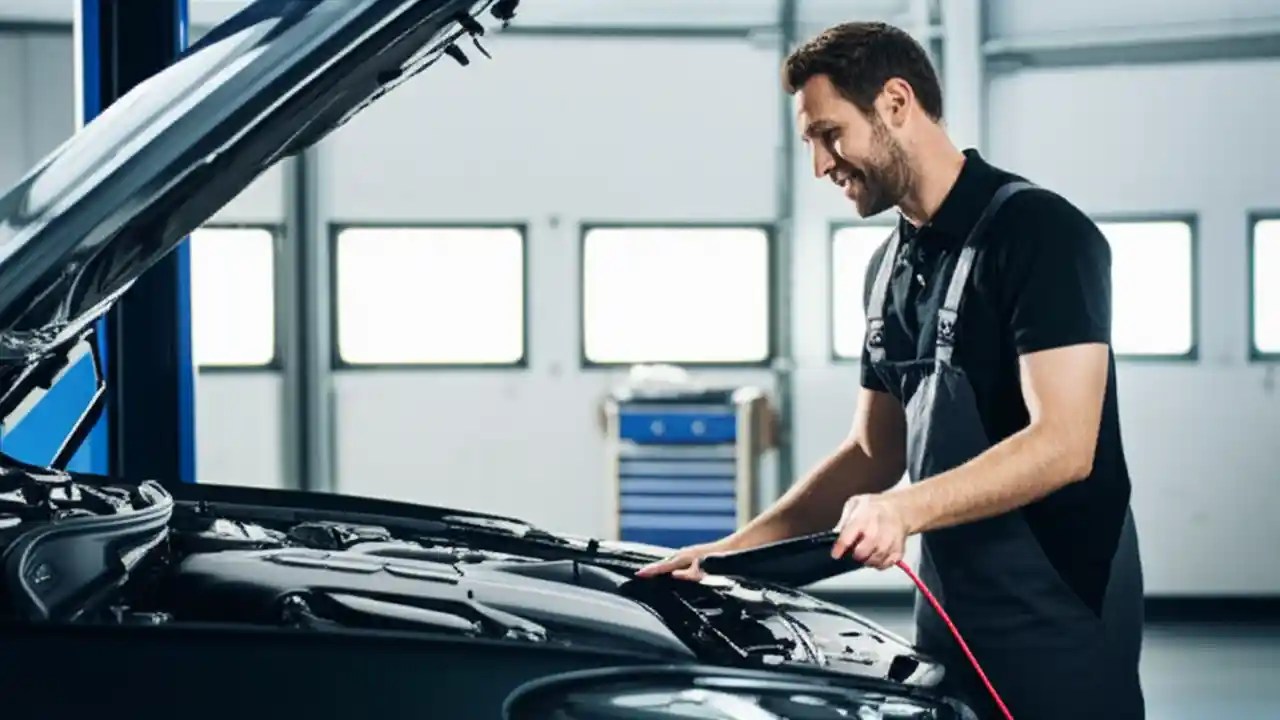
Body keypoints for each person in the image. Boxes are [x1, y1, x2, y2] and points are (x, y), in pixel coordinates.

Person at [636, 21, 1145, 720]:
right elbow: (873, 452)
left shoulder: (1043, 235)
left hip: (1061, 615)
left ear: (896, 103)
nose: (821, 165)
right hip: (949, 613)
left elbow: (1064, 443)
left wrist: (903, 510)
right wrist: (728, 556)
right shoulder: (887, 270)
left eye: (829, 134)